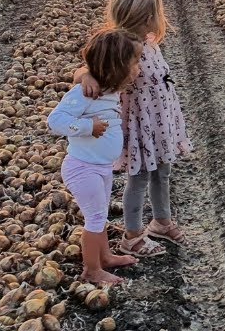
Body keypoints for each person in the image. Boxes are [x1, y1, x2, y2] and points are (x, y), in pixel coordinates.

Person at [77, 0, 193, 258]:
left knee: (162, 172)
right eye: (158, 13)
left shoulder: (149, 43)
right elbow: (87, 70)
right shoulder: (123, 48)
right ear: (148, 17)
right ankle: (132, 236)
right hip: (140, 126)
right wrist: (86, 76)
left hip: (160, 124)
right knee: (139, 178)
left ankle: (161, 222)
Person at [48, 28, 143, 285]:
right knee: (95, 218)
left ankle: (106, 257)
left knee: (100, 215)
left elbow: (84, 70)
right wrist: (88, 127)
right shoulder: (86, 93)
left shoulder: (110, 89)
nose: (138, 68)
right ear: (117, 67)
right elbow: (55, 120)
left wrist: (85, 72)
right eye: (135, 63)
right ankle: (91, 270)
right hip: (82, 168)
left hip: (100, 167)